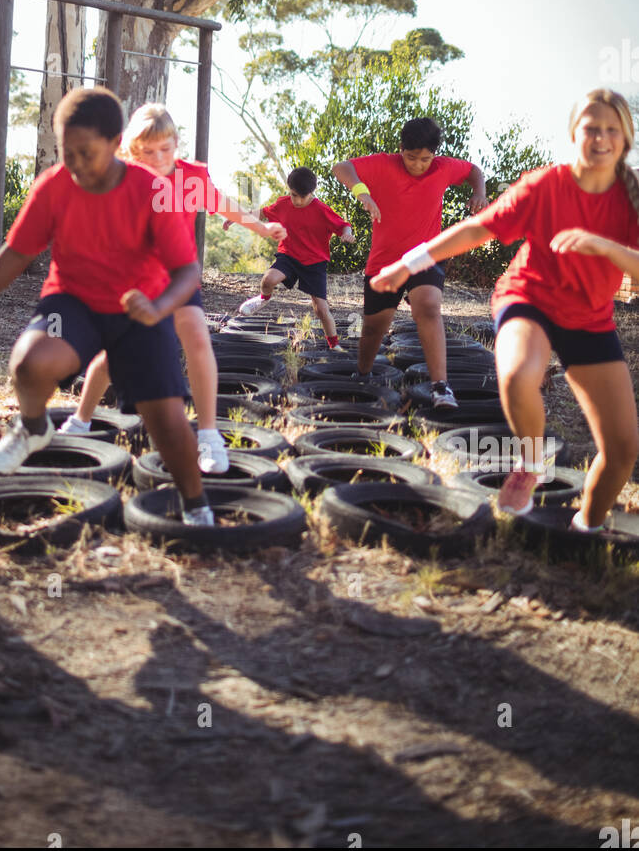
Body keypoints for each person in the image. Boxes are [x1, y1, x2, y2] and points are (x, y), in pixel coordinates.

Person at [0, 87, 216, 525]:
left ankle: (197, 508)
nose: (76, 164)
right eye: (67, 153)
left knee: (167, 423)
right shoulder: (54, 186)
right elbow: (16, 252)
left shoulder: (150, 190)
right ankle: (32, 428)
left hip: (140, 312)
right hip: (73, 307)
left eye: (86, 153)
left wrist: (158, 307)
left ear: (116, 143)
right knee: (31, 363)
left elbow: (186, 273)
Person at [370, 89, 639, 527]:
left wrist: (602, 245)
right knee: (516, 376)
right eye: (592, 128)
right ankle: (532, 462)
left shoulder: (630, 198)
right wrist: (408, 263)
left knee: (623, 449)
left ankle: (584, 528)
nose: (601, 138)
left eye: (612, 130)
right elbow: (479, 227)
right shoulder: (546, 185)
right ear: (575, 132)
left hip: (589, 318)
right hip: (528, 299)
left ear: (625, 139)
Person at [58, 103, 287, 473]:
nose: (158, 158)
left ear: (176, 144)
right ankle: (81, 421)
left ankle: (209, 436)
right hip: (136, 281)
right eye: (147, 152)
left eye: (165, 149)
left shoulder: (191, 178)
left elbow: (224, 206)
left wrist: (263, 228)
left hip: (179, 278)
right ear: (132, 150)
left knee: (197, 338)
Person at [333, 118, 487, 405]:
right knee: (375, 327)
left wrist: (480, 193)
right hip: (384, 263)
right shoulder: (384, 163)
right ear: (401, 148)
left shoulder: (443, 168)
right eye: (411, 157)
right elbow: (341, 167)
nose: (418, 164)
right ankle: (363, 374)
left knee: (428, 306)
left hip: (424, 257)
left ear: (435, 155)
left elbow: (473, 171)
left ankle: (441, 386)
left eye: (425, 159)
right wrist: (361, 191)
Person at [238, 167, 353, 348]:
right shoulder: (283, 204)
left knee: (321, 309)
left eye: (302, 196)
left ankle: (334, 345)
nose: (297, 201)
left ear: (311, 192)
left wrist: (347, 234)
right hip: (289, 256)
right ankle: (263, 299)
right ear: (289, 190)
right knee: (267, 281)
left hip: (315, 262)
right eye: (293, 195)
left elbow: (344, 225)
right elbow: (261, 213)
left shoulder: (322, 210)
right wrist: (236, 217)